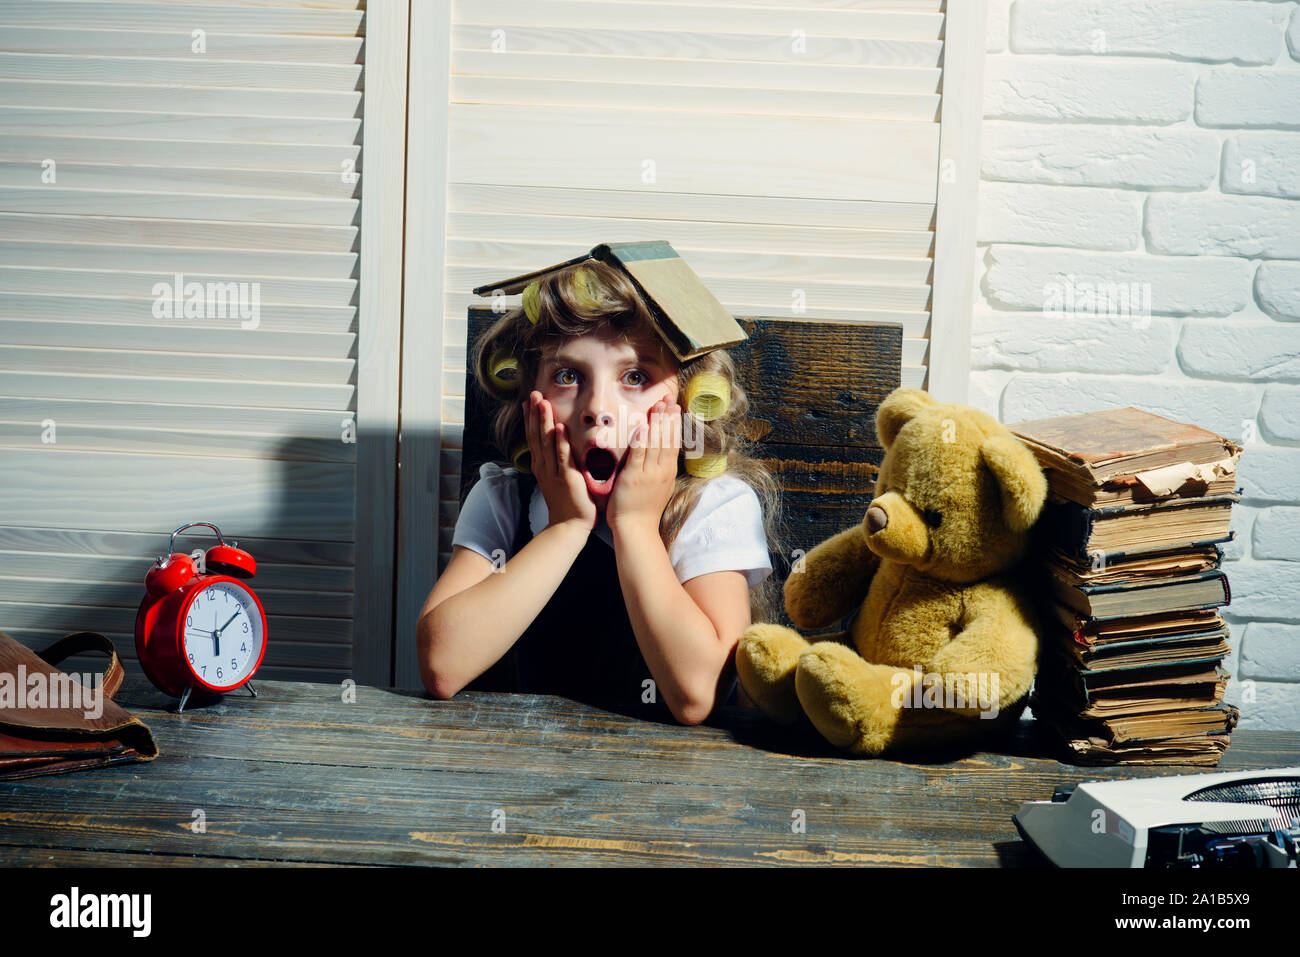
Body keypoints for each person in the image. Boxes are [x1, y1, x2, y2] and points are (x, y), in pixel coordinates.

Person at [416, 259, 779, 724]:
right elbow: (442, 666)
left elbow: (698, 697)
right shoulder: (505, 500)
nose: (597, 409)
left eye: (635, 377)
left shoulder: (711, 506)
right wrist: (567, 527)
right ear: (532, 395)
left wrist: (635, 525)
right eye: (568, 376)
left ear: (688, 400)